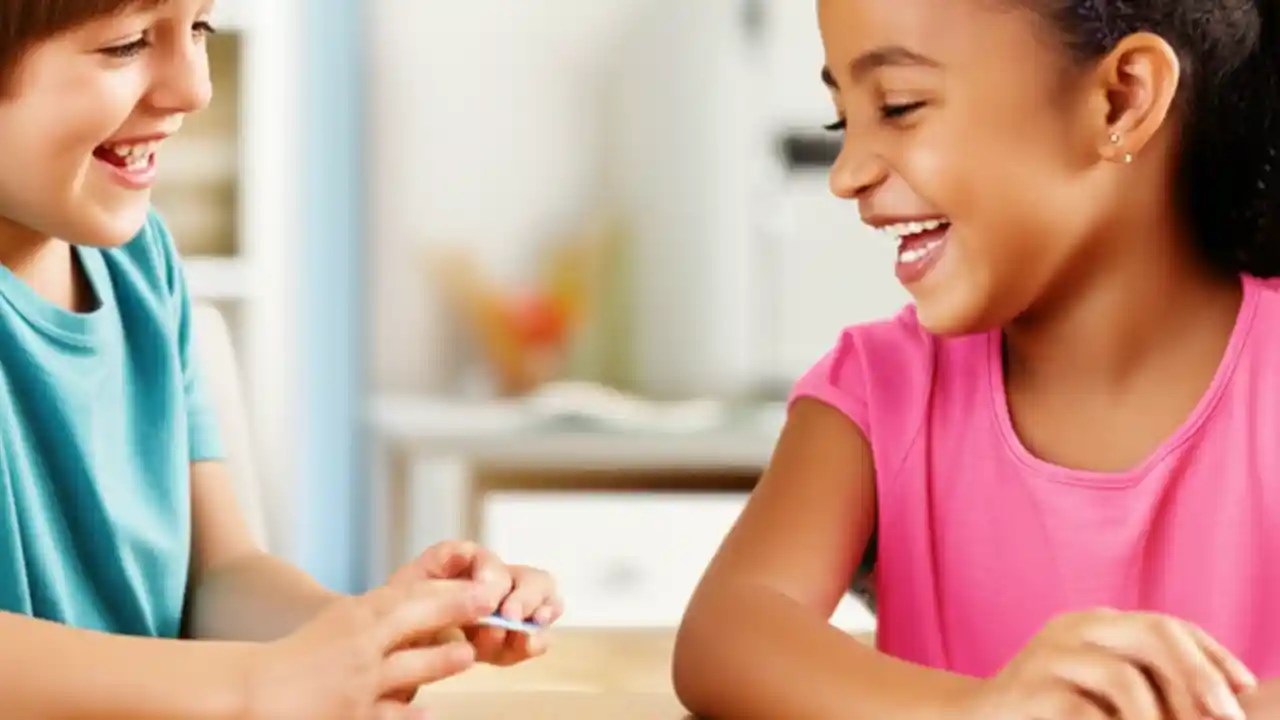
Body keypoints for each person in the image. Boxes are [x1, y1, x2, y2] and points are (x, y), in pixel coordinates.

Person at [674, 0, 1280, 718]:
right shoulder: (878, 390)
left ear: (1121, 99)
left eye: (898, 107)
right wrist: (988, 710)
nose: (846, 174)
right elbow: (729, 633)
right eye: (845, 120)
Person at [0, 1, 561, 718]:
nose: (194, 87)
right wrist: (252, 689)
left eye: (199, 27)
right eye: (128, 43)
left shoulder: (141, 265)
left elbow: (218, 578)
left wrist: (369, 634)